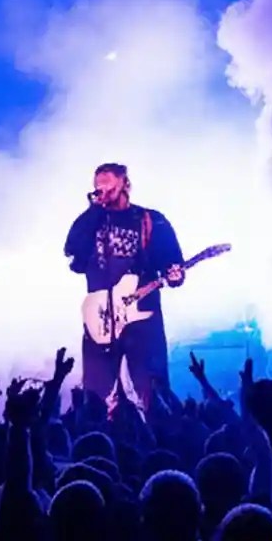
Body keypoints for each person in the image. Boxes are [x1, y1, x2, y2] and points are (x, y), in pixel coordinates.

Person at [64, 163, 185, 411]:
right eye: (98, 188)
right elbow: (72, 254)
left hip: (142, 316)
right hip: (101, 317)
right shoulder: (91, 221)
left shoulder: (152, 220)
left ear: (125, 185)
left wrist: (175, 275)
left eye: (109, 186)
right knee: (96, 394)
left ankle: (158, 438)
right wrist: (92, 212)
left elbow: (173, 263)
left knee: (153, 389)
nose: (102, 192)